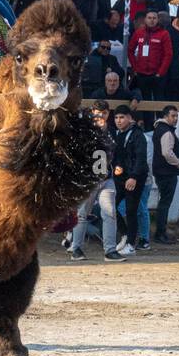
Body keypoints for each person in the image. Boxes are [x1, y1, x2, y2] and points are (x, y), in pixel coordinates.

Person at [67, 102, 118, 261]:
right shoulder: (84, 130)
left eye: (103, 113)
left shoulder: (111, 131)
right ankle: (76, 248)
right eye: (97, 113)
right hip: (88, 179)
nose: (100, 116)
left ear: (107, 114)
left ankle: (110, 250)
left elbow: (114, 149)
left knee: (110, 213)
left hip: (105, 177)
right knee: (82, 214)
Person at [110, 105, 146, 260]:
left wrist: (133, 177)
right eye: (116, 117)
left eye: (122, 117)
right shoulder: (118, 134)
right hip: (120, 178)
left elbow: (140, 158)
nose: (119, 121)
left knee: (131, 210)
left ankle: (131, 244)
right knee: (111, 206)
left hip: (134, 178)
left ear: (130, 118)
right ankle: (124, 234)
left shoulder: (138, 135)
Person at [151, 105, 179, 244]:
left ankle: (160, 232)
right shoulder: (166, 131)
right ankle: (160, 233)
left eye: (176, 116)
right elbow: (167, 153)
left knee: (163, 203)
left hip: (161, 171)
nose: (175, 119)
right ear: (165, 116)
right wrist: (178, 163)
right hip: (167, 172)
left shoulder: (159, 129)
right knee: (165, 204)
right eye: (173, 116)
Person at [129, 10, 172, 114]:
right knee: (144, 102)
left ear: (157, 20)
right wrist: (135, 68)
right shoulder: (139, 33)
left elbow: (168, 54)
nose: (152, 20)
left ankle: (160, 122)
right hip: (142, 74)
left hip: (157, 74)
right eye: (149, 18)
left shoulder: (164, 34)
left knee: (159, 101)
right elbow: (130, 50)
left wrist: (160, 72)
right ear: (145, 19)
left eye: (154, 18)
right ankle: (147, 123)